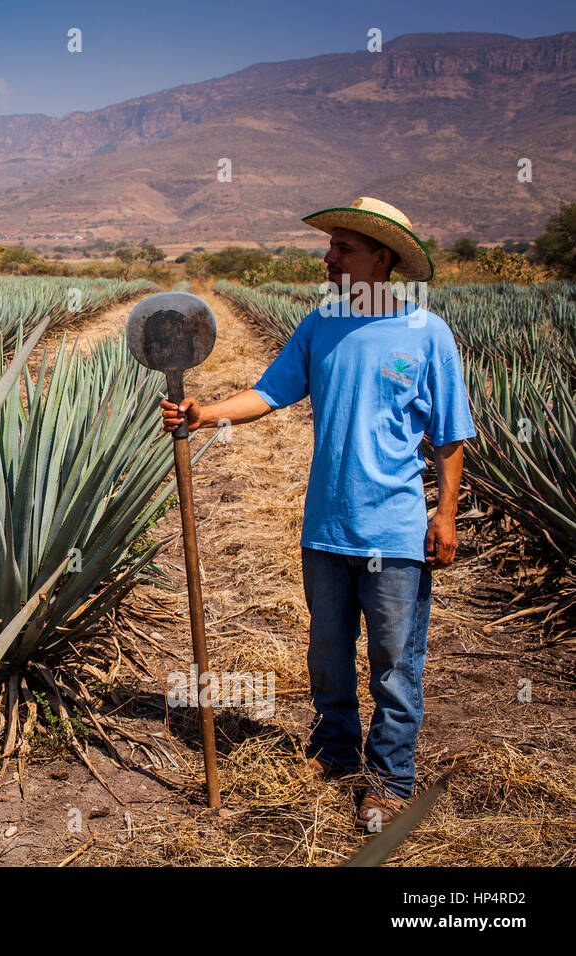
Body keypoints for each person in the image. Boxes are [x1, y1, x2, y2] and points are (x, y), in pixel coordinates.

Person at [161, 196, 476, 831]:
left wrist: (445, 516)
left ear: (381, 259)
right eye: (330, 246)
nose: (328, 259)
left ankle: (389, 782)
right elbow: (268, 394)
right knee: (328, 654)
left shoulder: (428, 334)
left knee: (394, 661)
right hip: (326, 525)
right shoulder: (319, 326)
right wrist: (206, 414)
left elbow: (449, 437)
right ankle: (333, 755)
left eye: (344, 249)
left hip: (395, 528)